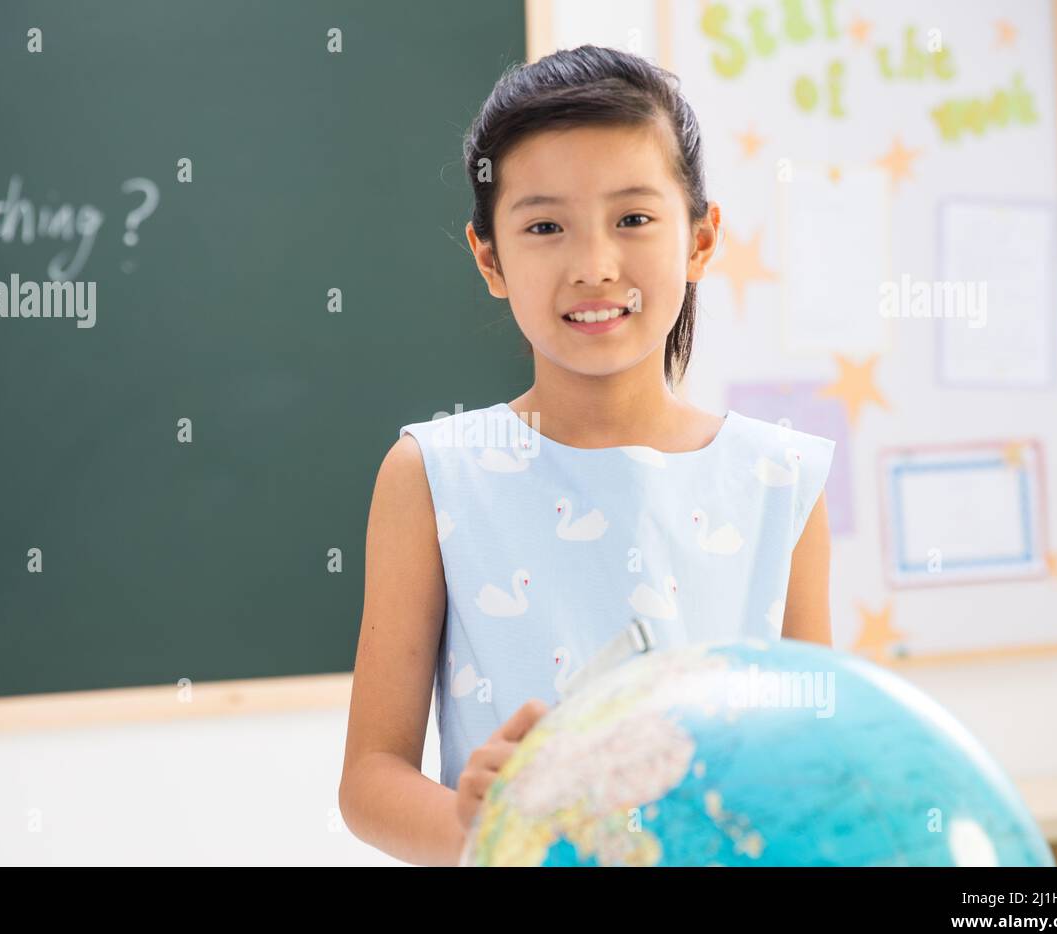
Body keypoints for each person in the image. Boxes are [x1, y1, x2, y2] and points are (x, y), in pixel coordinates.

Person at [339, 44, 835, 866]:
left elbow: (818, 749)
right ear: (489, 259)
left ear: (702, 240)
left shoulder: (781, 480)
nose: (594, 266)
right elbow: (368, 781)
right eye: (544, 227)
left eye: (634, 218)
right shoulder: (433, 473)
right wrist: (475, 823)